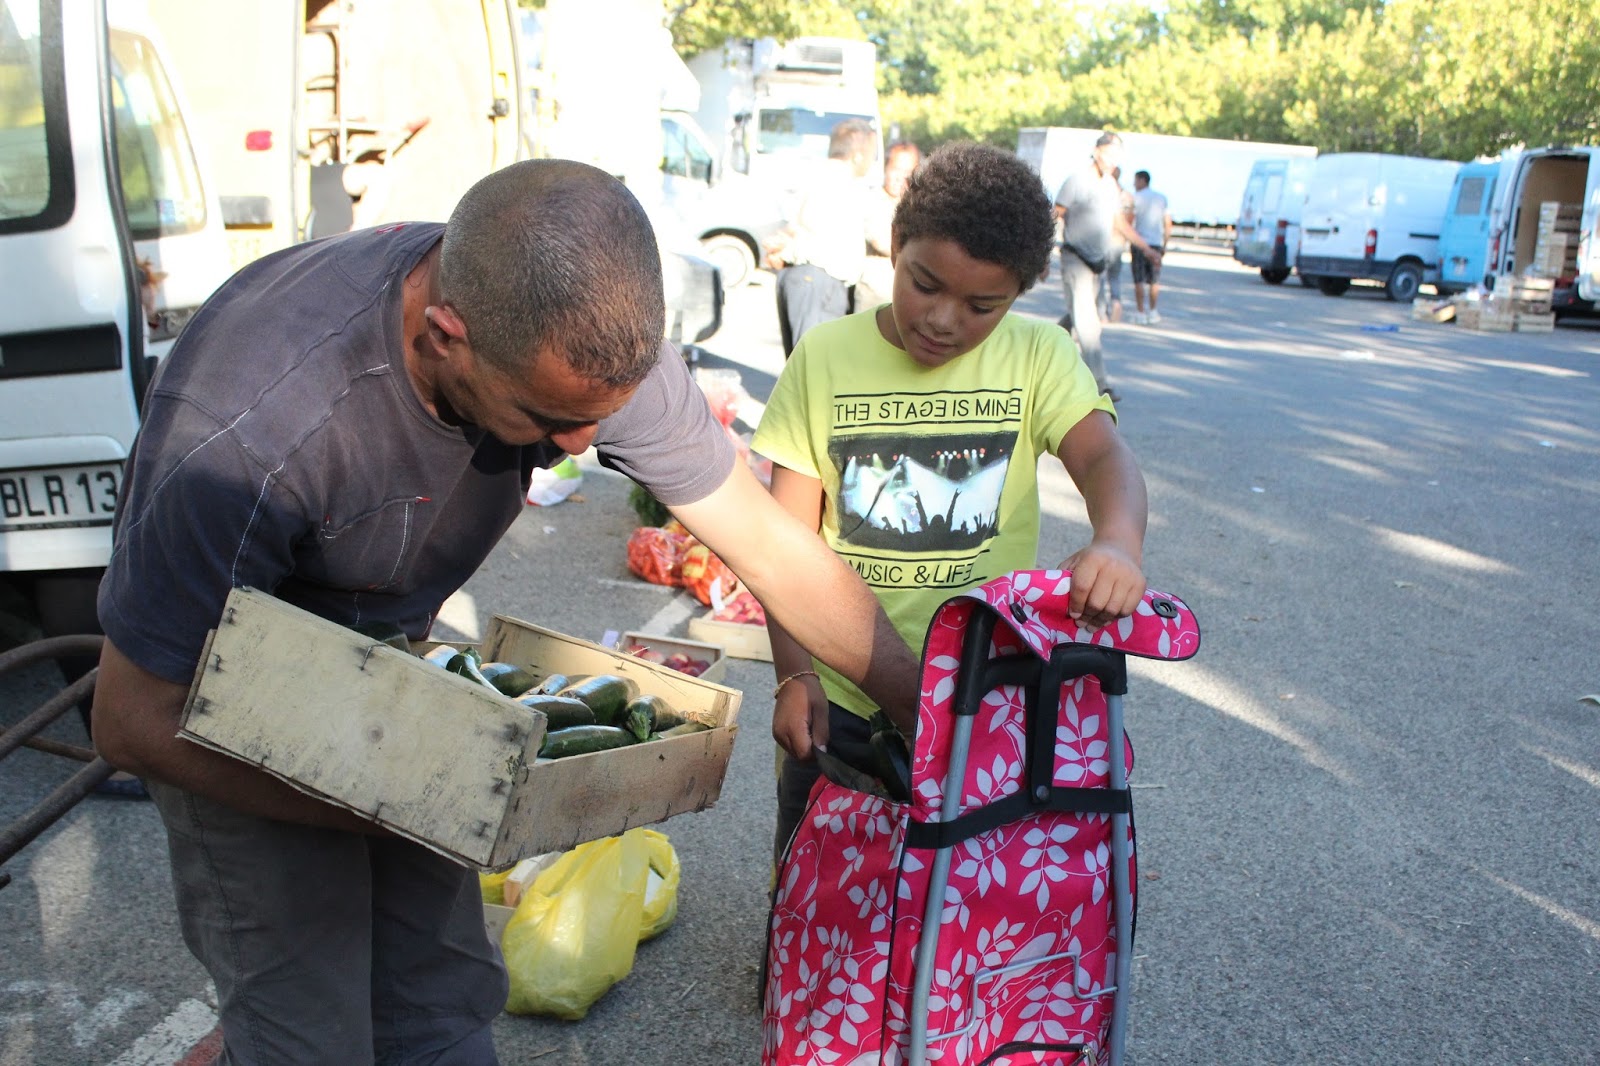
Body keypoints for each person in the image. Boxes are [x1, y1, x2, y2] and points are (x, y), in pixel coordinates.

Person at [90, 159, 922, 1066]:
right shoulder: (252, 428)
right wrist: (400, 809)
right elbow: (132, 722)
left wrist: (943, 718)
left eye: (596, 421)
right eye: (544, 418)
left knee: (442, 1000)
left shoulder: (583, 345)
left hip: (394, 677)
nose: (578, 447)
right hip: (231, 703)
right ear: (445, 336)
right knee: (306, 1026)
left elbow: (772, 549)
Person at [753, 142, 1150, 869]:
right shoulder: (823, 358)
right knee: (815, 887)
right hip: (838, 705)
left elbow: (1102, 457)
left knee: (952, 892)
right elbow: (782, 542)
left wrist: (1118, 541)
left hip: (982, 700)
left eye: (981, 305)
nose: (942, 320)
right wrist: (795, 675)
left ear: (1022, 293)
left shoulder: (1038, 356)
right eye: (924, 284)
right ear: (896, 246)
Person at [1053, 131, 1162, 401]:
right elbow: (1055, 215)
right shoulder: (1077, 181)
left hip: (1096, 264)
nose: (1113, 161)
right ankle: (1099, 385)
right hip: (1074, 258)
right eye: (1109, 154)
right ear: (1096, 150)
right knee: (1089, 324)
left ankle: (1042, 352)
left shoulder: (1110, 186)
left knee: (1075, 319)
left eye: (1118, 157)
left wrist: (1146, 249)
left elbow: (1119, 223)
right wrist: (1041, 255)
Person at [764, 118, 879, 356]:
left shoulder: (811, 173)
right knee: (814, 371)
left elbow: (788, 227)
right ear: (858, 155)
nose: (871, 161)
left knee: (800, 369)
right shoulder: (847, 184)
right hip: (819, 281)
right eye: (872, 153)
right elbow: (879, 238)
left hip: (798, 278)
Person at [857, 140, 922, 309]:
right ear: (885, 168)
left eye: (908, 172)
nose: (901, 178)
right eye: (896, 170)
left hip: (910, 299)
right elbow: (883, 243)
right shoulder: (871, 199)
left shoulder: (922, 205)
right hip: (874, 293)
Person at [1130, 169, 1172, 324]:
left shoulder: (1135, 198)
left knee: (1139, 279)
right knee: (1154, 280)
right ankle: (1153, 311)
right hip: (1156, 243)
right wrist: (1164, 244)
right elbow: (1167, 223)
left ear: (1142, 180)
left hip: (1140, 242)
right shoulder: (1161, 198)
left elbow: (1130, 220)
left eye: (1135, 180)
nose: (1134, 184)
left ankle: (1140, 312)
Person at [1096, 166, 1134, 325]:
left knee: (1099, 278)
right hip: (1119, 241)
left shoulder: (1104, 192)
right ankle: (1116, 305)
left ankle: (1102, 313)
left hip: (1104, 241)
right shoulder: (1127, 196)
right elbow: (1130, 219)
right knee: (1115, 278)